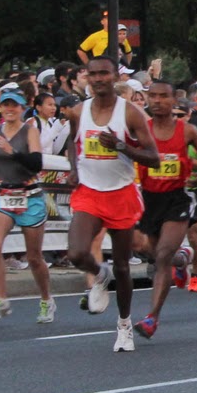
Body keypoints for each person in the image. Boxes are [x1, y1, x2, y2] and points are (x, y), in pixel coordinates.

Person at [65, 57, 162, 352]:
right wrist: (73, 168)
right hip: (89, 192)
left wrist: (121, 146)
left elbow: (154, 157)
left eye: (103, 74)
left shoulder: (130, 113)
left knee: (122, 266)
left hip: (120, 193)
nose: (97, 79)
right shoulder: (79, 112)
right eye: (92, 74)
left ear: (112, 76)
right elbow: (73, 141)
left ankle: (123, 325)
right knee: (77, 253)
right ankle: (99, 272)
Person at [128, 80, 197, 339]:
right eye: (152, 96)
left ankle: (152, 317)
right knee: (144, 248)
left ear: (173, 101)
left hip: (178, 198)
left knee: (162, 255)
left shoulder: (187, 131)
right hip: (149, 198)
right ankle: (182, 258)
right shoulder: (142, 131)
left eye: (163, 96)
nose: (156, 101)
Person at [0, 88, 52, 323]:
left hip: (28, 195)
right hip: (1, 194)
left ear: (22, 108)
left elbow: (36, 164)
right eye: (6, 105)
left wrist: (13, 152)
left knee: (34, 257)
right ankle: (1, 299)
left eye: (15, 105)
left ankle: (46, 299)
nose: (10, 109)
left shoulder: (29, 131)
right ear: (0, 107)